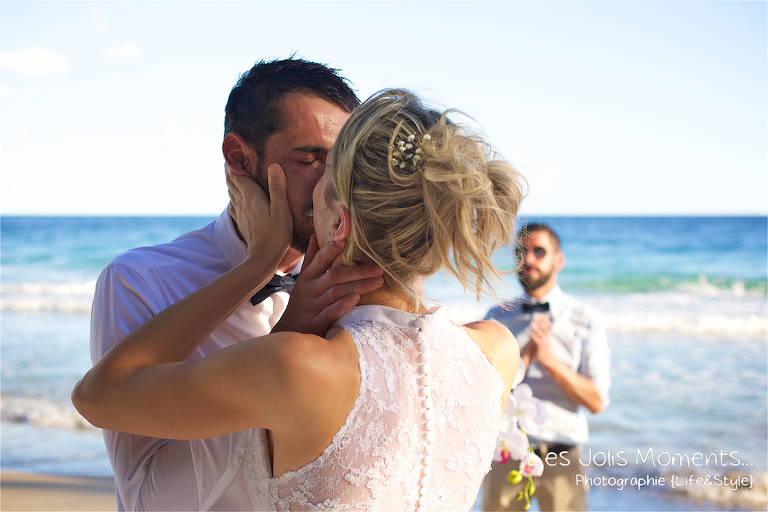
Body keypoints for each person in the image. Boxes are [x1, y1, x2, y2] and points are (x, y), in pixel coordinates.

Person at [74, 89, 527, 511]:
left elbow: (97, 396)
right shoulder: (497, 351)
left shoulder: (297, 362)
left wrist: (256, 267)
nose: (313, 191)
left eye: (325, 179)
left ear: (340, 225)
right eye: (309, 160)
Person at [89, 57, 385, 511]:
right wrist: (282, 321)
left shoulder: (361, 287)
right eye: (310, 160)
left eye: (344, 164)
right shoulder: (138, 282)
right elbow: (150, 500)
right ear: (239, 159)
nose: (334, 185)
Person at [482, 223, 610, 512]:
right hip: (506, 453)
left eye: (538, 252)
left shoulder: (586, 319)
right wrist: (523, 358)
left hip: (563, 455)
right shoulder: (495, 318)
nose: (527, 259)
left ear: (559, 260)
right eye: (520, 252)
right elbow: (482, 392)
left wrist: (551, 362)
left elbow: (596, 401)